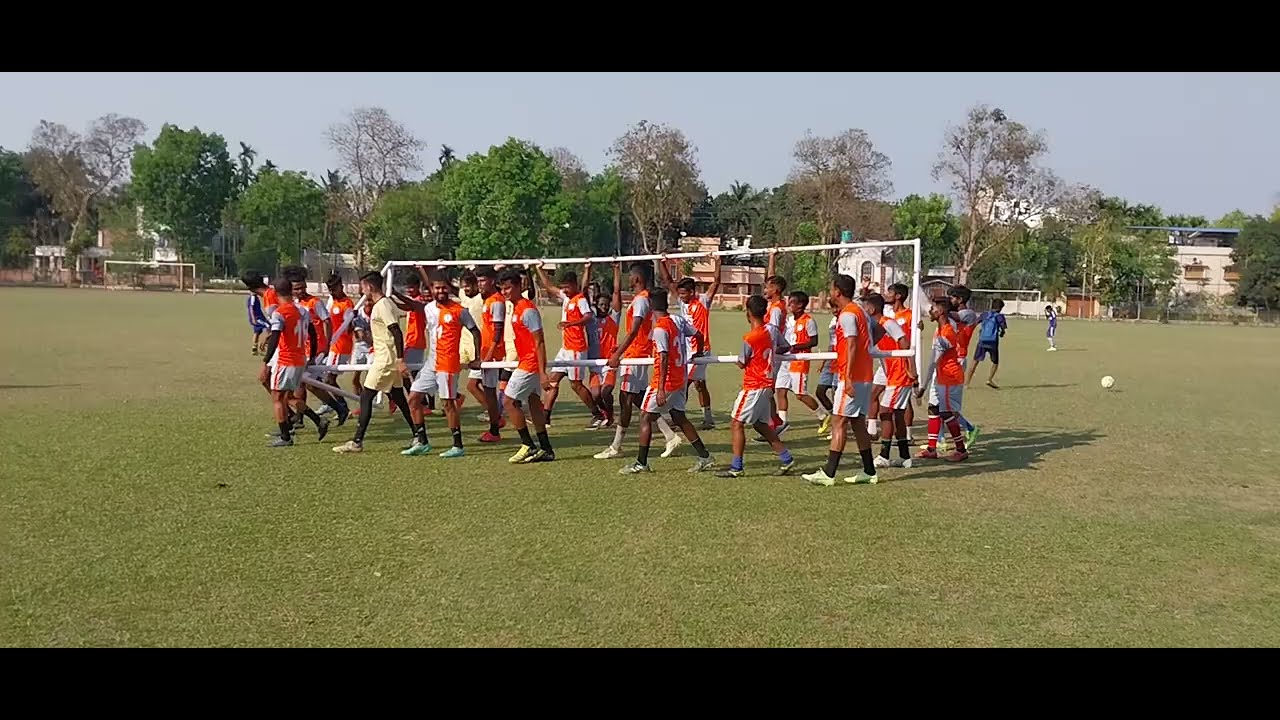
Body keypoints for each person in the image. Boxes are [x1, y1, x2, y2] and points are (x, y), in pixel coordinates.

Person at [619, 289, 715, 474]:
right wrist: (699, 352)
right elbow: (699, 335)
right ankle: (705, 456)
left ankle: (641, 462)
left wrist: (661, 388)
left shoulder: (660, 329)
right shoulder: (677, 320)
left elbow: (662, 357)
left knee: (645, 416)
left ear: (651, 307)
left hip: (666, 381)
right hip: (680, 378)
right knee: (679, 417)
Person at [595, 262, 681, 461]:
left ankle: (616, 446)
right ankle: (670, 435)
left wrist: (618, 354)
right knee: (638, 399)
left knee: (625, 400)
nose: (628, 278)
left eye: (630, 275)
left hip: (636, 356)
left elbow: (634, 330)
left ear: (637, 279)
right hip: (635, 354)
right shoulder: (640, 299)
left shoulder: (642, 301)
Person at [803, 274, 883, 487]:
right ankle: (869, 471)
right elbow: (877, 332)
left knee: (838, 422)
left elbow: (852, 345)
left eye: (831, 289)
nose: (830, 292)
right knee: (857, 423)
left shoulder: (848, 314)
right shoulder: (861, 312)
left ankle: (828, 474)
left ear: (838, 291)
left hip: (853, 377)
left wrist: (847, 377)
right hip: (864, 376)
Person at [332, 272, 417, 453]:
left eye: (363, 287)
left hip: (386, 360)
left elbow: (396, 332)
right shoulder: (383, 304)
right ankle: (418, 434)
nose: (363, 292)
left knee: (366, 396)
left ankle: (357, 442)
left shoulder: (383, 305)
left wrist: (400, 359)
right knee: (399, 398)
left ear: (369, 287)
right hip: (387, 358)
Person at [404, 273, 483, 458]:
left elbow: (476, 332)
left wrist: (477, 357)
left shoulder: (459, 310)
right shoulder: (429, 308)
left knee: (448, 404)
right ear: (431, 289)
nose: (441, 291)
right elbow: (413, 306)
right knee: (413, 399)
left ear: (448, 289)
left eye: (443, 287)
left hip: (447, 364)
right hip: (431, 362)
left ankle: (458, 445)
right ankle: (422, 442)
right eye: (437, 288)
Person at [717, 295, 796, 478]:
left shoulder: (750, 338)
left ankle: (736, 467)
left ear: (748, 313)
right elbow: (785, 347)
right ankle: (786, 458)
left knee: (736, 423)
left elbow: (742, 362)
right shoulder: (772, 331)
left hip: (754, 385)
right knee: (761, 425)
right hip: (767, 384)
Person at [259, 278, 328, 446]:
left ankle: (285, 437)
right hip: (300, 359)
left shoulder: (280, 313)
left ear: (275, 292)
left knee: (277, 398)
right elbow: (312, 332)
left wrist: (265, 363)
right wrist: (310, 354)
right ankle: (318, 421)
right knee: (288, 396)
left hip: (285, 360)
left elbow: (275, 338)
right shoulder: (302, 310)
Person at [534, 263, 601, 428]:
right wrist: (538, 269)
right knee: (553, 381)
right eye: (563, 287)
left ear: (574, 285)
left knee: (576, 385)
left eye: (567, 287)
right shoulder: (566, 297)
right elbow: (549, 286)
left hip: (576, 349)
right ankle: (546, 417)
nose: (564, 290)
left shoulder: (580, 299)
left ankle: (598, 414)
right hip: (565, 349)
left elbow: (588, 316)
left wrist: (570, 324)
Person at [500, 270, 556, 464]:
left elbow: (539, 342)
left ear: (518, 287)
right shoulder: (516, 309)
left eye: (508, 288)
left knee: (508, 401)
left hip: (530, 364)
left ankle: (527, 444)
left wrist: (542, 372)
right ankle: (546, 448)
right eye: (503, 288)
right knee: (533, 404)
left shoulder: (527, 310)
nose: (505, 292)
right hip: (527, 361)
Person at [663, 255, 721, 430]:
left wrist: (718, 262)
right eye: (679, 294)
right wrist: (662, 262)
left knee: (684, 383)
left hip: (700, 350)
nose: (681, 296)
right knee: (699, 385)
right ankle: (708, 419)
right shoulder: (682, 304)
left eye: (684, 293)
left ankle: (677, 416)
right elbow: (668, 281)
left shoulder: (703, 302)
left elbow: (716, 282)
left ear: (692, 292)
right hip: (686, 350)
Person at [861, 292, 915, 469]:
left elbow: (904, 342)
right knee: (897, 415)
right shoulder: (874, 326)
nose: (862, 310)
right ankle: (905, 457)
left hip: (899, 374)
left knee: (885, 411)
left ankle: (884, 455)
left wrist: (910, 368)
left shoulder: (887, 323)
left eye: (864, 307)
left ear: (872, 308)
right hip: (889, 372)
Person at [915, 297, 970, 462]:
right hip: (941, 377)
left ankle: (961, 450)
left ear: (941, 311)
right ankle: (932, 449)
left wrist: (922, 387)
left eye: (933, 309)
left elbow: (933, 362)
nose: (930, 311)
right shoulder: (940, 330)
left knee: (947, 413)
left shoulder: (946, 334)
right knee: (933, 409)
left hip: (949, 378)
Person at [773, 290, 824, 433]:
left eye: (792, 303)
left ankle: (822, 415)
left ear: (800, 305)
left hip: (799, 362)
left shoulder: (809, 321)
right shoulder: (789, 320)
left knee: (800, 394)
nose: (789, 305)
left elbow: (814, 341)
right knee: (780, 390)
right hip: (785, 361)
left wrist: (794, 347)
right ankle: (782, 423)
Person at [472, 266, 506, 443]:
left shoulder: (497, 302)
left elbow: (498, 331)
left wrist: (488, 355)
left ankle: (494, 429)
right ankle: (495, 424)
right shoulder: (489, 300)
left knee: (491, 392)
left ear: (492, 281)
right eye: (478, 281)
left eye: (482, 280)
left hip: (493, 355)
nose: (479, 284)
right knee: (482, 388)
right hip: (487, 352)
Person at [946, 285, 981, 448]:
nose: (949, 301)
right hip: (947, 360)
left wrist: (937, 307)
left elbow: (953, 315)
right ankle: (938, 441)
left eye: (951, 297)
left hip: (958, 360)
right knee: (937, 402)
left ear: (959, 300)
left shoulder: (968, 314)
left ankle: (970, 427)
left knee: (947, 405)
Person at [392, 274, 431, 416]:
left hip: (416, 342)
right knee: (412, 374)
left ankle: (419, 402)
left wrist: (396, 294)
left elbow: (411, 305)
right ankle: (420, 402)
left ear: (417, 287)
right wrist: (393, 301)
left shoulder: (420, 301)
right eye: (407, 288)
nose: (409, 290)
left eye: (411, 287)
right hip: (412, 342)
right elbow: (406, 306)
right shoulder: (413, 301)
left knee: (406, 373)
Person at [590, 264, 623, 429]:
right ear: (596, 304)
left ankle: (609, 415)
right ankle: (605, 414)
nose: (604, 307)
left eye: (606, 305)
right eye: (601, 304)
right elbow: (583, 293)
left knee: (605, 392)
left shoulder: (614, 319)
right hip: (594, 363)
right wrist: (588, 269)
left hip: (609, 362)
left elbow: (617, 293)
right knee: (595, 395)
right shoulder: (591, 319)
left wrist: (616, 270)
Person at [763, 250, 788, 431]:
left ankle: (776, 423)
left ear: (776, 290)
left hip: (772, 353)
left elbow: (772, 333)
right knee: (767, 391)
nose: (765, 290)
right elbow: (771, 277)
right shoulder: (773, 304)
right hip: (768, 352)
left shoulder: (777, 309)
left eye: (768, 288)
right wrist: (772, 257)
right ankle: (774, 423)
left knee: (767, 389)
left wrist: (766, 352)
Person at [458, 270, 488, 410]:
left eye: (469, 286)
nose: (466, 289)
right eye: (464, 286)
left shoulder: (482, 298)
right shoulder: (463, 295)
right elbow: (442, 285)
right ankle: (455, 398)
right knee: (447, 371)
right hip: (464, 346)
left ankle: (494, 412)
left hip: (479, 346)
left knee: (473, 385)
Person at [968, 299, 1008, 388]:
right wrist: (1002, 333)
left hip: (982, 341)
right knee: (995, 362)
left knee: (975, 361)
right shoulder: (1000, 316)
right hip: (993, 342)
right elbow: (1003, 327)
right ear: (1000, 308)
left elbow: (975, 322)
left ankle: (967, 383)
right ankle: (989, 379)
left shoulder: (985, 314)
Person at [815, 314, 838, 439]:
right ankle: (831, 415)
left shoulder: (848, 319)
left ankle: (836, 428)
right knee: (820, 391)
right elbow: (831, 343)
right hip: (831, 359)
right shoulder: (833, 320)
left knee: (836, 394)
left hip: (841, 360)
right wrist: (824, 360)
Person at [244, 273, 269, 354]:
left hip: (259, 317)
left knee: (257, 332)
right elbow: (251, 307)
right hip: (257, 318)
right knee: (269, 327)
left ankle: (254, 348)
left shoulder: (255, 297)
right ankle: (268, 344)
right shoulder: (253, 298)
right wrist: (253, 318)